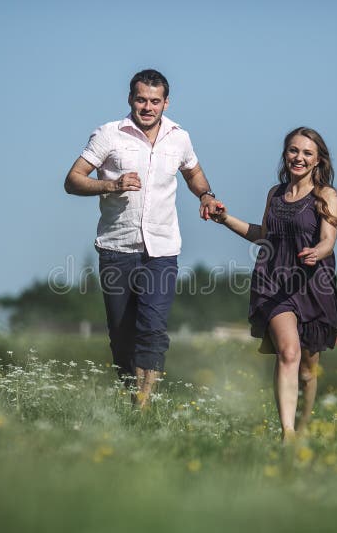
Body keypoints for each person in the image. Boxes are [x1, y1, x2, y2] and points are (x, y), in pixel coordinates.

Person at [64, 69, 222, 408]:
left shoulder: (179, 137)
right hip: (116, 248)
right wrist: (111, 184)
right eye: (141, 100)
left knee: (152, 327)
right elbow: (73, 180)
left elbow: (192, 171)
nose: (147, 107)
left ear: (166, 103)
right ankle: (129, 393)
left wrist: (206, 195)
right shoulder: (109, 135)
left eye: (154, 101)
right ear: (130, 99)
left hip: (162, 250)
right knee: (121, 337)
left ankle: (143, 404)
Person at [210, 127, 337, 441]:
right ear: (286, 154)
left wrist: (318, 252)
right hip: (274, 281)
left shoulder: (326, 195)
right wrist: (226, 219)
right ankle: (287, 434)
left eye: (307, 153)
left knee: (309, 371)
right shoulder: (275, 193)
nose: (299, 157)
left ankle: (304, 427)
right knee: (288, 352)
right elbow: (263, 235)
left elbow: (329, 240)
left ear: (318, 160)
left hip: (313, 285)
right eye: (293, 150)